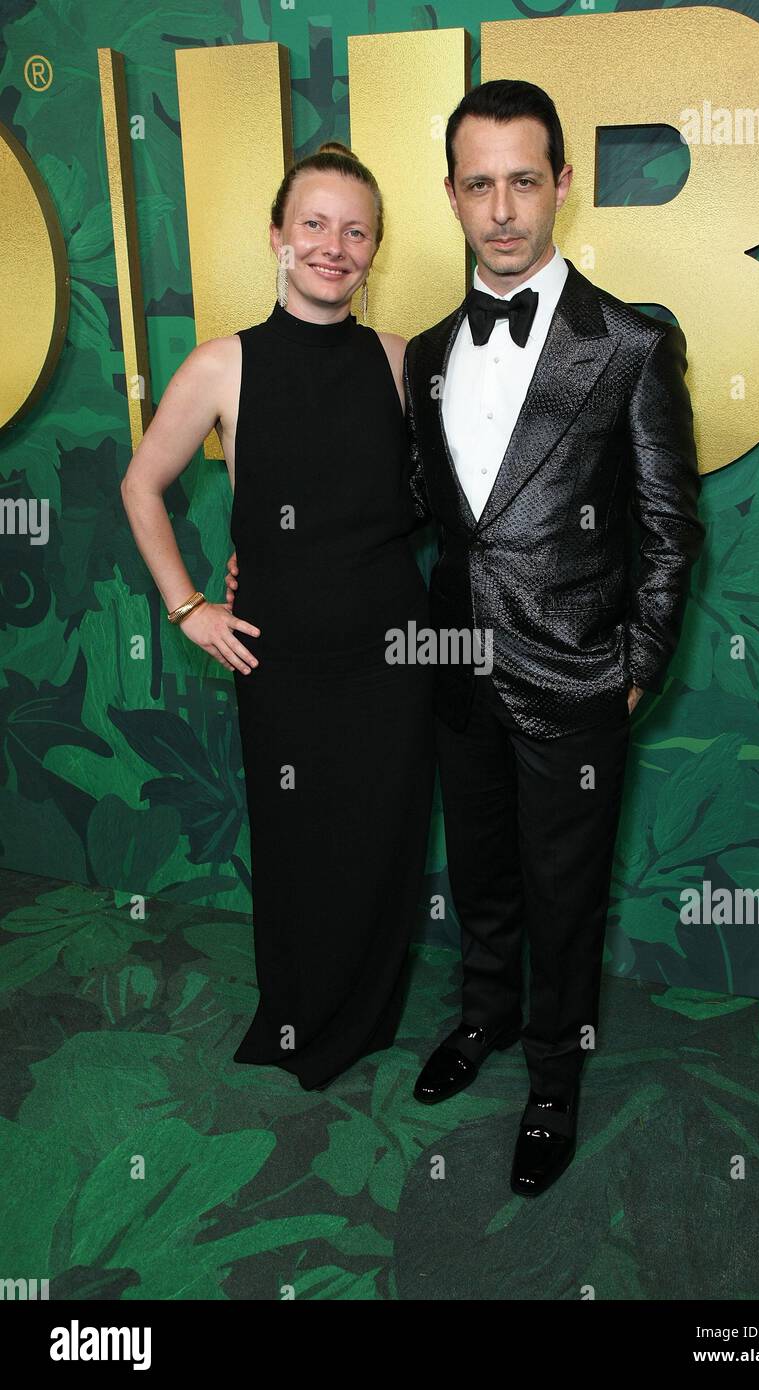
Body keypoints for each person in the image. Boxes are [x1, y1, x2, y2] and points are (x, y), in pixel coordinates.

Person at [404, 80, 705, 1196]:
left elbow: (669, 529)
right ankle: (482, 1017)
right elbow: (423, 510)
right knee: (481, 872)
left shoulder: (626, 343)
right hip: (455, 671)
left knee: (564, 897)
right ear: (449, 194)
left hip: (577, 678)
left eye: (522, 180)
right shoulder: (430, 350)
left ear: (561, 184)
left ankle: (551, 1078)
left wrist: (633, 670)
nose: (501, 209)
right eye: (477, 184)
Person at [121, 142, 434, 1091]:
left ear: (373, 248)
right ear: (277, 235)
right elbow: (141, 483)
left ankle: (367, 1016)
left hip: (393, 653)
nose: (333, 245)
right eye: (314, 224)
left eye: (355, 230)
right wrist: (188, 607)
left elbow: (436, 500)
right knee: (300, 845)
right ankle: (301, 1018)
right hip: (282, 659)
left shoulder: (398, 362)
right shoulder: (224, 364)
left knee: (384, 842)